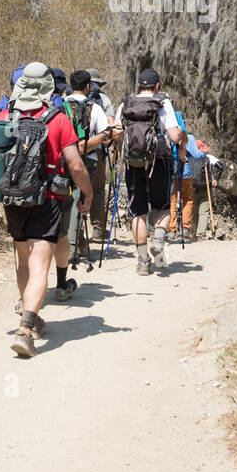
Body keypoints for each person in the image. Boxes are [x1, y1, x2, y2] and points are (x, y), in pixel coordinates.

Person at [0, 64, 92, 358]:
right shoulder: (58, 119)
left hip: (12, 200)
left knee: (22, 259)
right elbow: (76, 165)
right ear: (47, 89)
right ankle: (26, 330)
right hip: (48, 198)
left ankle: (30, 315)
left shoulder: (4, 116)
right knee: (40, 264)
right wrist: (87, 193)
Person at [55, 72, 122, 301]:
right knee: (85, 198)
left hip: (64, 160)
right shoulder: (96, 107)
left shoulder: (61, 105)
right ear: (86, 86)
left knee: (70, 199)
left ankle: (72, 245)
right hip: (90, 161)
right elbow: (106, 135)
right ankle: (75, 247)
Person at [115, 69, 183, 276]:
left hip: (133, 163)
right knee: (162, 207)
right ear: (157, 86)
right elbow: (174, 136)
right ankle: (158, 242)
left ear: (138, 85)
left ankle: (143, 261)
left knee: (138, 212)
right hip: (160, 162)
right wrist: (181, 136)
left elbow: (117, 133)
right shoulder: (163, 104)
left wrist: (123, 152)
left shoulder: (126, 104)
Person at [86, 70, 116, 245]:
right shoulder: (103, 100)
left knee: (77, 190)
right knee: (97, 190)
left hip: (75, 149)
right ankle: (98, 230)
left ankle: (76, 234)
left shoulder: (69, 98)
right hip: (97, 150)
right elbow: (110, 126)